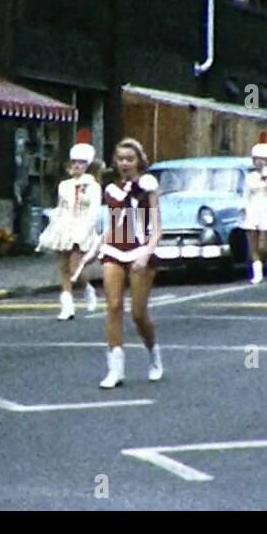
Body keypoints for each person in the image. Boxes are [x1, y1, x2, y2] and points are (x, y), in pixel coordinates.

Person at [96, 138, 162, 388]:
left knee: (137, 312)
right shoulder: (111, 190)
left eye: (129, 159)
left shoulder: (148, 187)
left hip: (140, 250)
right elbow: (113, 224)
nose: (124, 163)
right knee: (113, 306)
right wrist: (96, 245)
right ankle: (115, 368)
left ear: (138, 161)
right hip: (114, 249)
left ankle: (153, 353)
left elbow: (157, 228)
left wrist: (146, 254)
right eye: (121, 158)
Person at [37, 140, 102, 319]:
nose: (76, 166)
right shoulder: (64, 185)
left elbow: (94, 211)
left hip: (82, 226)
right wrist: (52, 219)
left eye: (80, 163)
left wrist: (86, 231)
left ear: (87, 166)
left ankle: (88, 289)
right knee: (63, 266)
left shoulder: (94, 186)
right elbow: (61, 206)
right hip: (65, 226)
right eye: (74, 162)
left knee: (76, 267)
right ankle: (67, 306)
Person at [240, 138, 267, 283]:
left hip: (266, 210)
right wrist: (244, 208)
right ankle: (257, 273)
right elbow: (245, 194)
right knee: (253, 244)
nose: (259, 162)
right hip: (252, 209)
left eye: (263, 159)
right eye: (257, 159)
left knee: (262, 245)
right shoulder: (249, 177)